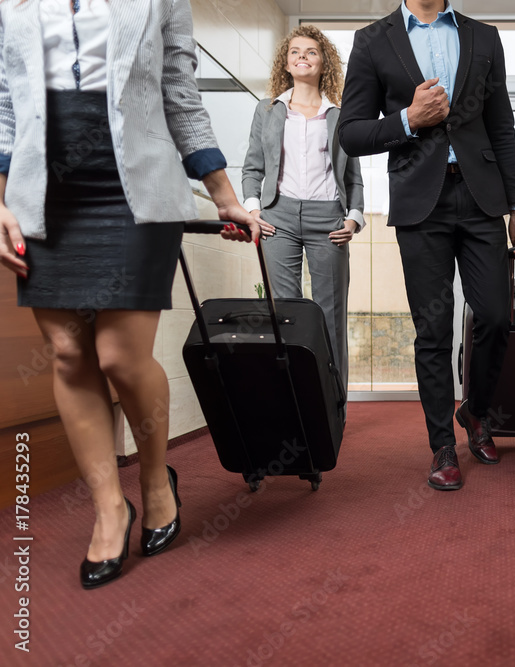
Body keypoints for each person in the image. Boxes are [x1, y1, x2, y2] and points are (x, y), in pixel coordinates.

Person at [0, 0, 258, 589]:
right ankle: (109, 507)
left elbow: (179, 93)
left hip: (134, 185)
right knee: (68, 354)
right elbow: (3, 103)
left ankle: (152, 477)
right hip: (42, 191)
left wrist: (221, 192)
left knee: (119, 354)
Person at [338, 1, 515, 491]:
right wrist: (408, 118)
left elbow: (502, 125)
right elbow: (351, 133)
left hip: (481, 198)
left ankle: (474, 410)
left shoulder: (483, 36)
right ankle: (441, 446)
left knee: (495, 315)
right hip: (418, 202)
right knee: (433, 328)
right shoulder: (372, 39)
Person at [242, 26, 364, 394]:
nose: (302, 57)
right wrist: (253, 209)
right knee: (286, 311)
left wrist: (354, 219)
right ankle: (294, 396)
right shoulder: (267, 111)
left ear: (323, 62)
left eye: (311, 51)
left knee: (330, 312)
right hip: (277, 218)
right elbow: (252, 168)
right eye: (295, 51)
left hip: (328, 218)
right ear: (286, 62)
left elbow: (354, 177)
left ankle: (334, 399)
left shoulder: (340, 116)